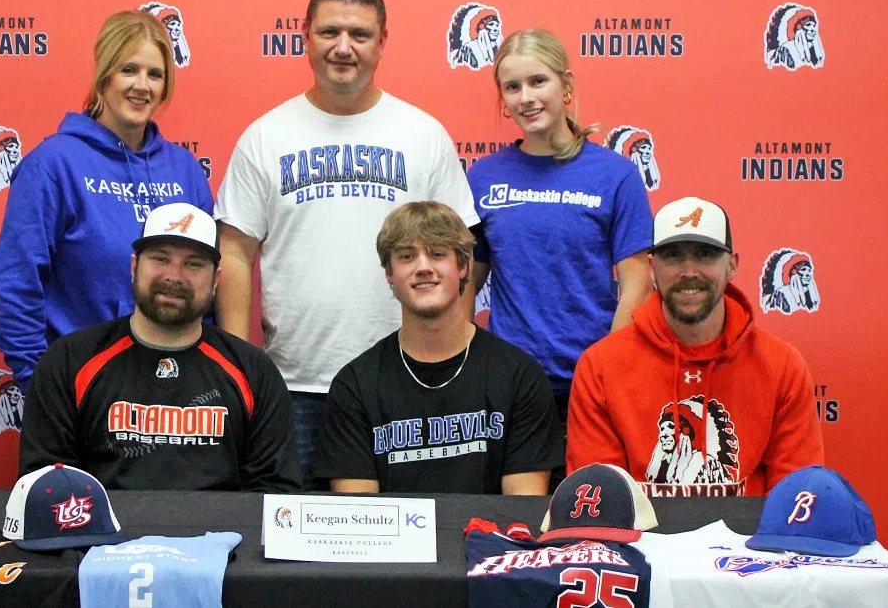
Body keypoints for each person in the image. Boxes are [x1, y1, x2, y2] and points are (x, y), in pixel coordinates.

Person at [215, 0, 479, 476]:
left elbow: (459, 253)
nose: (343, 47)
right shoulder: (265, 137)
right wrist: (236, 368)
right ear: (305, 36)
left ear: (382, 42)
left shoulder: (423, 135)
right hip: (295, 388)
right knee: (296, 545)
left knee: (418, 537)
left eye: (359, 35)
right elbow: (234, 252)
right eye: (329, 32)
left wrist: (451, 364)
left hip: (410, 381)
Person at [465, 28, 654, 480]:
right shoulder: (484, 177)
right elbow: (467, 284)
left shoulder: (616, 174)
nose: (526, 97)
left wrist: (604, 370)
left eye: (538, 82)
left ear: (566, 86)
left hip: (590, 387)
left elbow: (637, 284)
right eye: (512, 87)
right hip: (509, 387)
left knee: (588, 520)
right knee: (518, 525)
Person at [0, 9, 212, 387]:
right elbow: (17, 284)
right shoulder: (53, 164)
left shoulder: (184, 170)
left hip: (171, 391)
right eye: (128, 70)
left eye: (154, 74)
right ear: (103, 75)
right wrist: (42, 388)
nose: (142, 86)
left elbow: (206, 283)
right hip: (81, 389)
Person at [19, 203, 302, 492]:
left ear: (216, 280)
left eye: (193, 264)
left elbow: (274, 495)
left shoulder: (253, 372)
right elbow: (48, 486)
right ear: (134, 267)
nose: (174, 276)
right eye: (160, 259)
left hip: (225, 536)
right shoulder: (69, 362)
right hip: (103, 535)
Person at [567, 197, 825, 497]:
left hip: (748, 542)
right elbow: (599, 502)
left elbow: (796, 499)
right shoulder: (600, 366)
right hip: (640, 543)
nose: (689, 271)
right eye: (673, 256)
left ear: (732, 266)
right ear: (651, 268)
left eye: (704, 255)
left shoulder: (781, 365)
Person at [313, 202, 562, 494]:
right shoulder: (355, 386)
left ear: (464, 266)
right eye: (407, 256)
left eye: (438, 254)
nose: (423, 267)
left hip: (489, 540)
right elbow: (362, 523)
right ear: (389, 274)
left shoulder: (520, 378)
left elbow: (522, 517)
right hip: (390, 541)